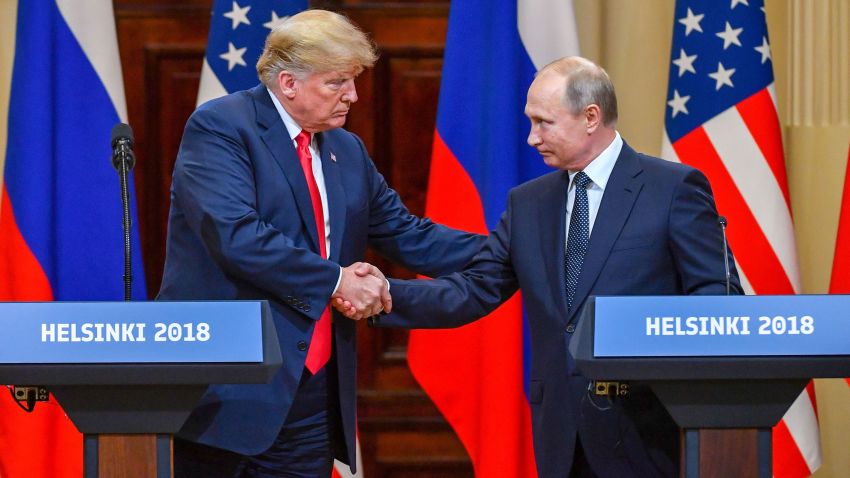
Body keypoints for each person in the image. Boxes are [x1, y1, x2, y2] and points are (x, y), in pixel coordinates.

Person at [364, 57, 743, 478]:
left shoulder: (672, 188)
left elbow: (717, 301)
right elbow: (474, 288)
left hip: (650, 430)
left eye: (543, 123)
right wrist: (382, 295)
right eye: (530, 123)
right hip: (563, 435)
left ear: (590, 117)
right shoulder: (528, 203)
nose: (531, 138)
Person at [157, 9, 483, 477]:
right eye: (337, 82)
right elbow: (237, 236)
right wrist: (337, 281)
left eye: (352, 80)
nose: (352, 95)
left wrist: (513, 251)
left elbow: (407, 233)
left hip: (312, 396)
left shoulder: (344, 148)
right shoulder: (222, 128)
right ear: (288, 83)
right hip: (228, 392)